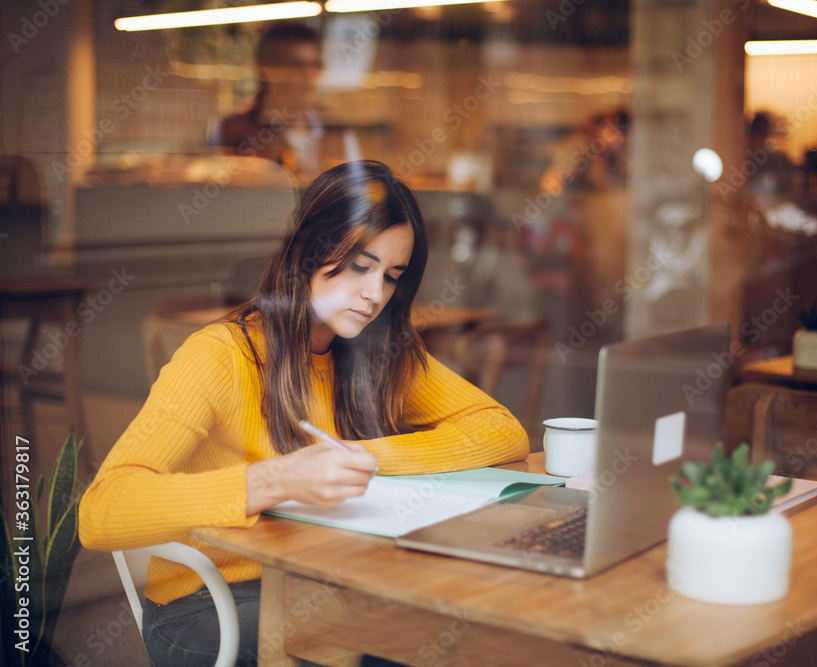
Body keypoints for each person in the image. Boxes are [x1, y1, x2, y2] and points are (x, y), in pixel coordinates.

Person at [80, 160, 529, 667]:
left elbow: (501, 431)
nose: (375, 294)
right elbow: (101, 512)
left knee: (464, 623)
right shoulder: (222, 355)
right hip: (211, 601)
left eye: (391, 277)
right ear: (307, 250)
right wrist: (276, 479)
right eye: (361, 266)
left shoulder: (379, 353)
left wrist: (364, 456)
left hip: (322, 575)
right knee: (389, 642)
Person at [212, 21, 353, 183]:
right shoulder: (232, 130)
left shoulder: (336, 127)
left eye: (315, 65)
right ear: (268, 70)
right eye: (297, 66)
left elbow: (356, 189)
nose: (309, 75)